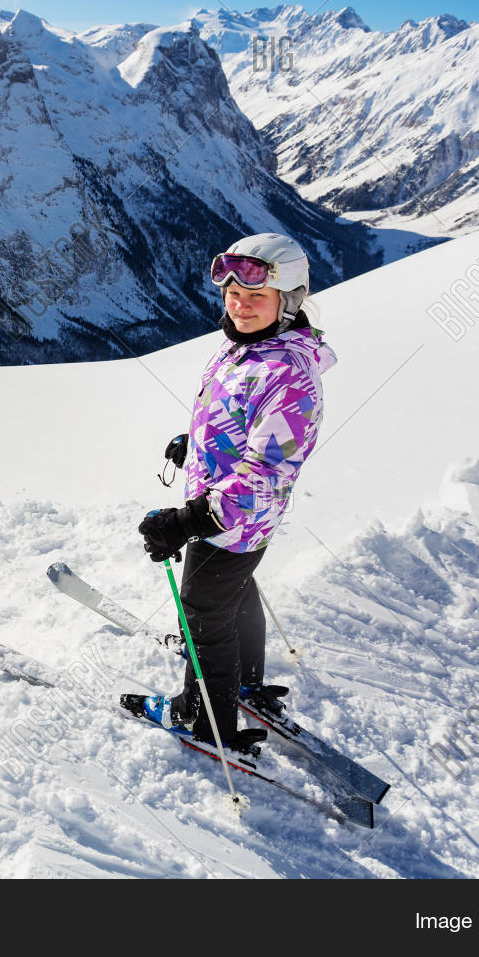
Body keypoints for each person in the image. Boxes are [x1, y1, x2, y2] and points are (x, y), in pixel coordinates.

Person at [122, 233, 337, 749]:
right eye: (233, 294)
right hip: (224, 507)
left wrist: (186, 523)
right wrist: (194, 443)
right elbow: (234, 415)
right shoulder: (246, 346)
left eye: (255, 297)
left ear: (288, 301)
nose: (239, 306)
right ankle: (244, 679)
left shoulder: (288, 378)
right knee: (234, 594)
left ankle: (204, 720)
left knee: (201, 609)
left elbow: (264, 476)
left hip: (231, 518)